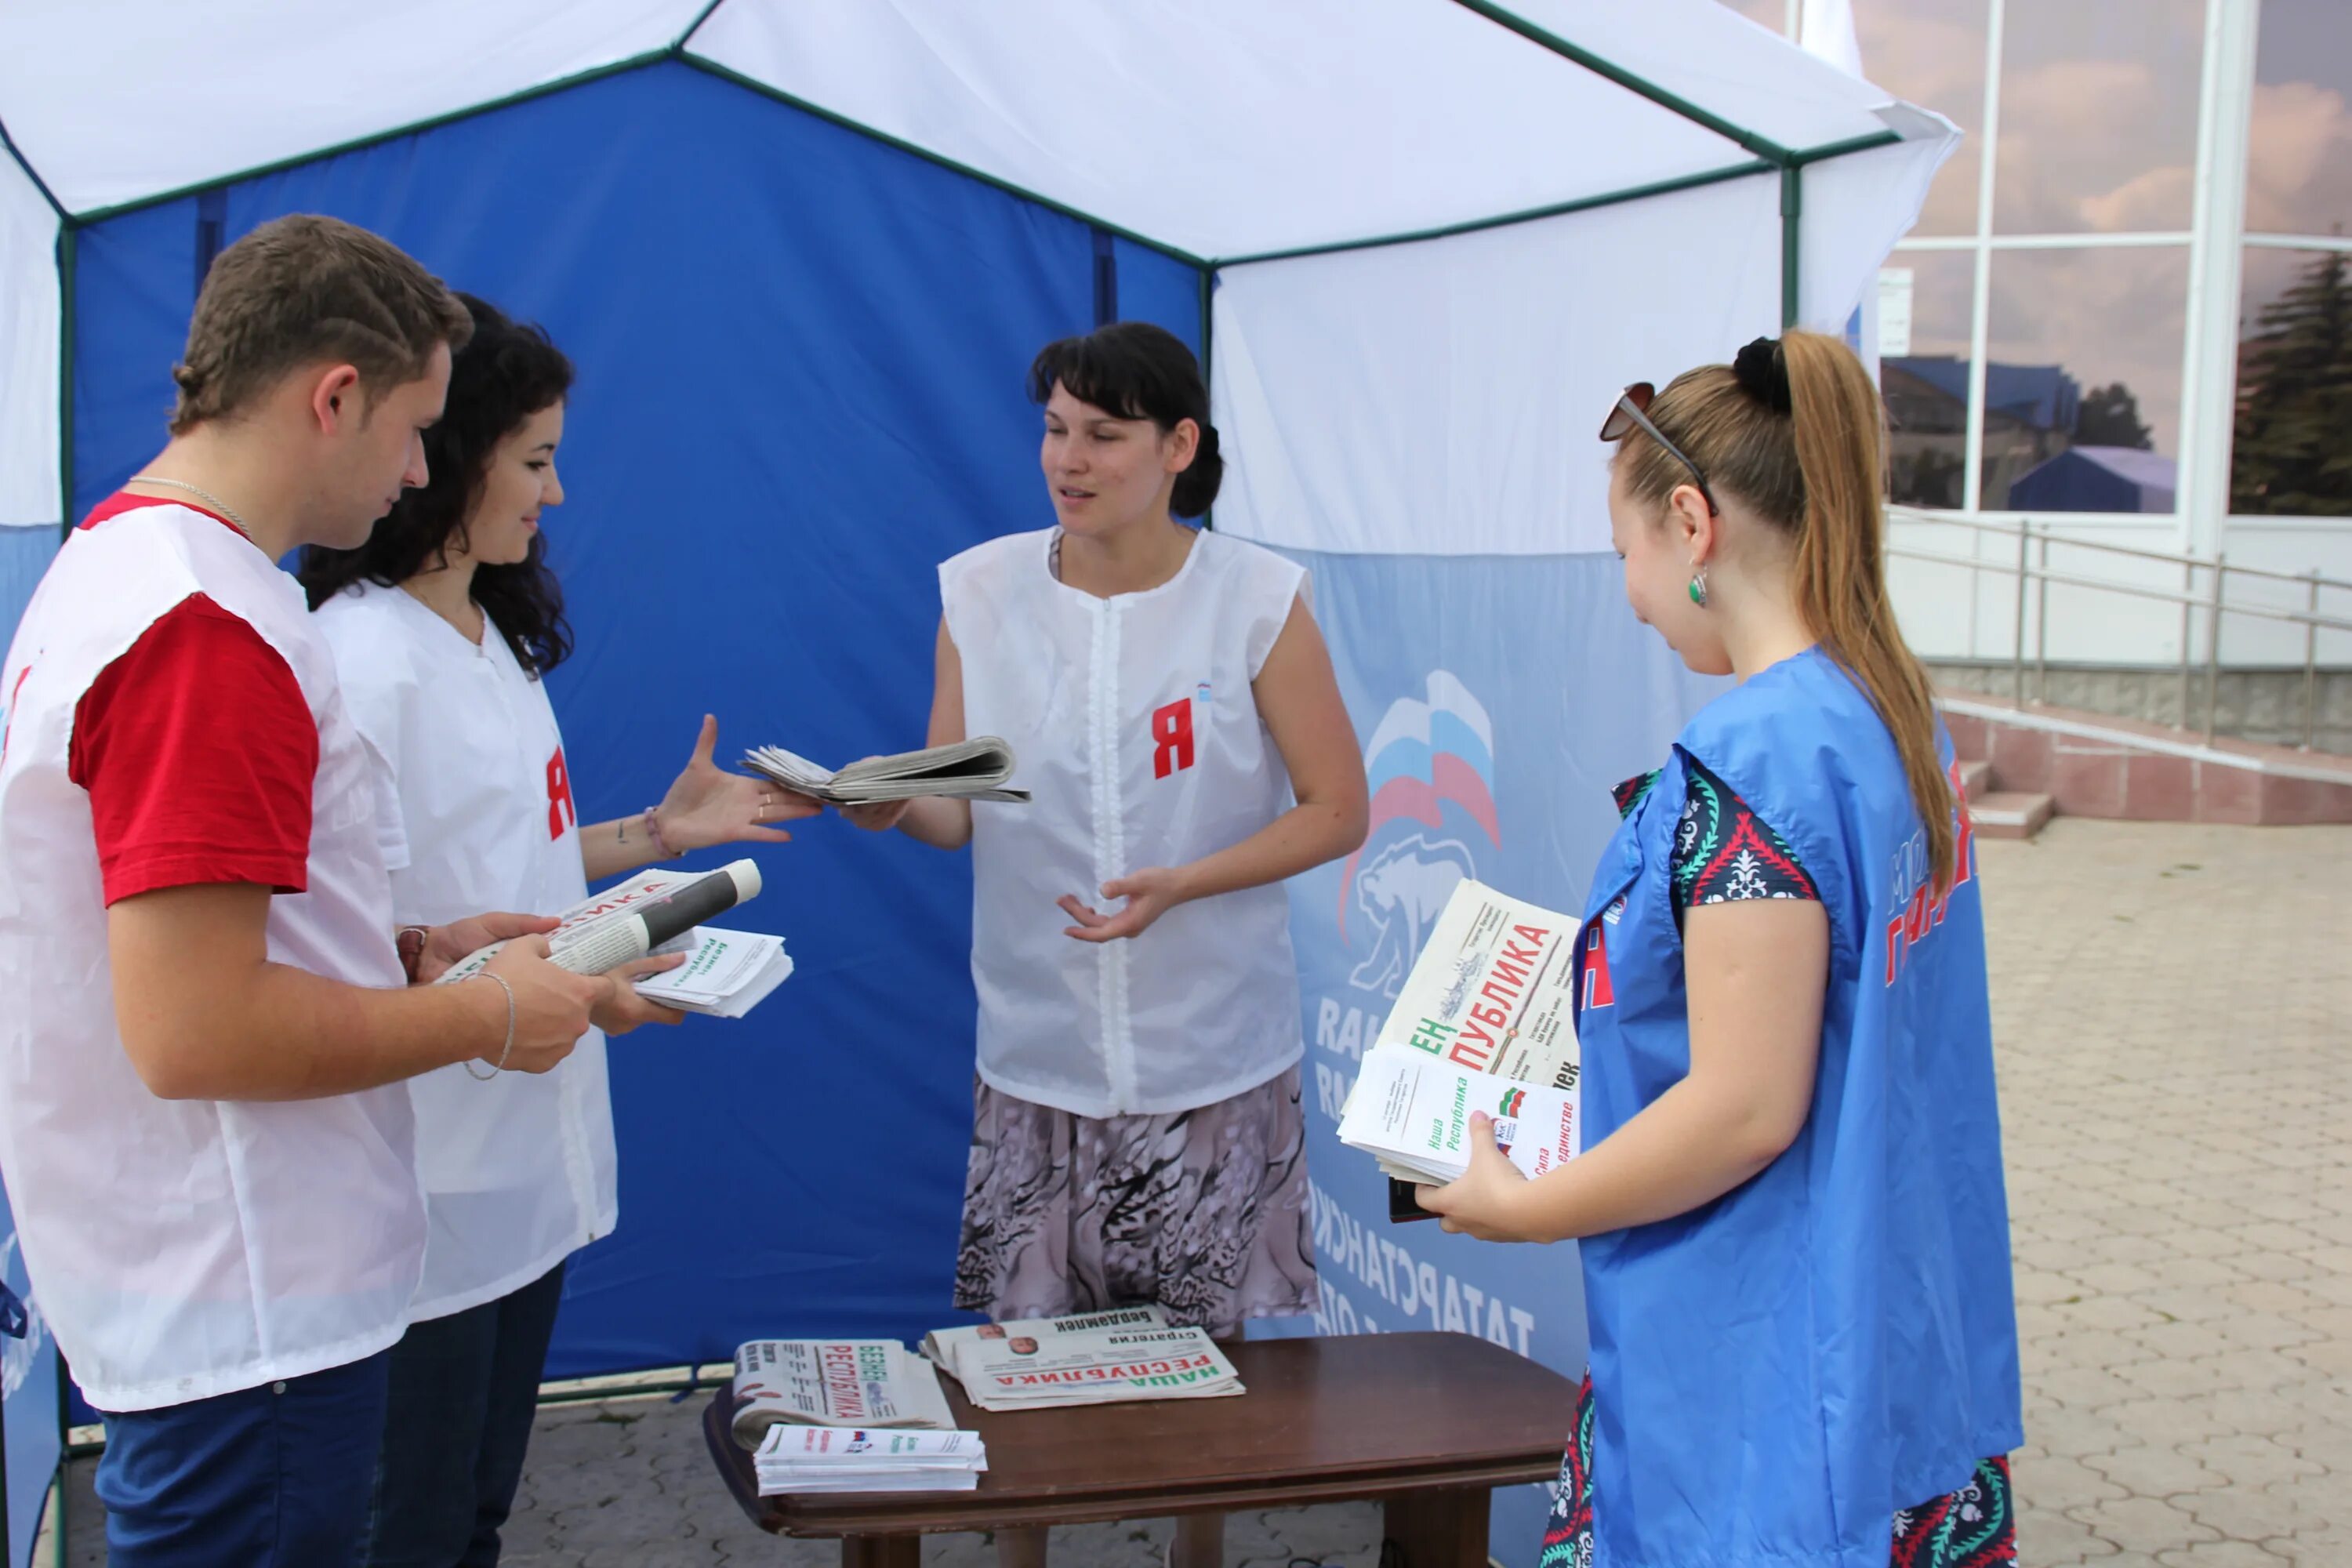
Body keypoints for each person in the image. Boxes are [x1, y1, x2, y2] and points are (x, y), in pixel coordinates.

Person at [0, 216, 638, 1568]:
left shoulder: (145, 571)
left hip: (231, 1301)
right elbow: (198, 1032)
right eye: (416, 429)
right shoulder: (202, 631)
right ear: (332, 396)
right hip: (256, 1318)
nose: (421, 470)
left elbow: (215, 931)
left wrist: (412, 948)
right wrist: (485, 1017)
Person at [1417, 332, 2024, 1568]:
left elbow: (1746, 1106)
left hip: (1767, 1386)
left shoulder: (1756, 763)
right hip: (1892, 1338)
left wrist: (1523, 1210)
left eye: (1626, 552)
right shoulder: (1890, 717)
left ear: (1692, 524)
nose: (1629, 589)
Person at [295, 292, 811, 1566]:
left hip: (524, 1164)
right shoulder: (362, 661)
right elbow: (353, 939)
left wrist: (653, 840)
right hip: (429, 1182)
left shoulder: (486, 639)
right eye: (534, 460)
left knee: (473, 1515)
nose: (558, 493)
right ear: (443, 455)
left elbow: (510, 871)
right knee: (410, 1529)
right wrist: (558, 984)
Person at [844, 321, 1368, 1568]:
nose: (1066, 461)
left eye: (1103, 434)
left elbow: (1338, 809)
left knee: (1202, 1389)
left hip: (1211, 1063)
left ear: (1179, 447)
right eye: (1054, 430)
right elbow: (950, 803)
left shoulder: (1258, 599)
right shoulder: (979, 588)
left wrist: (1187, 882)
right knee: (1028, 1390)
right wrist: (880, 798)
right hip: (1039, 1060)